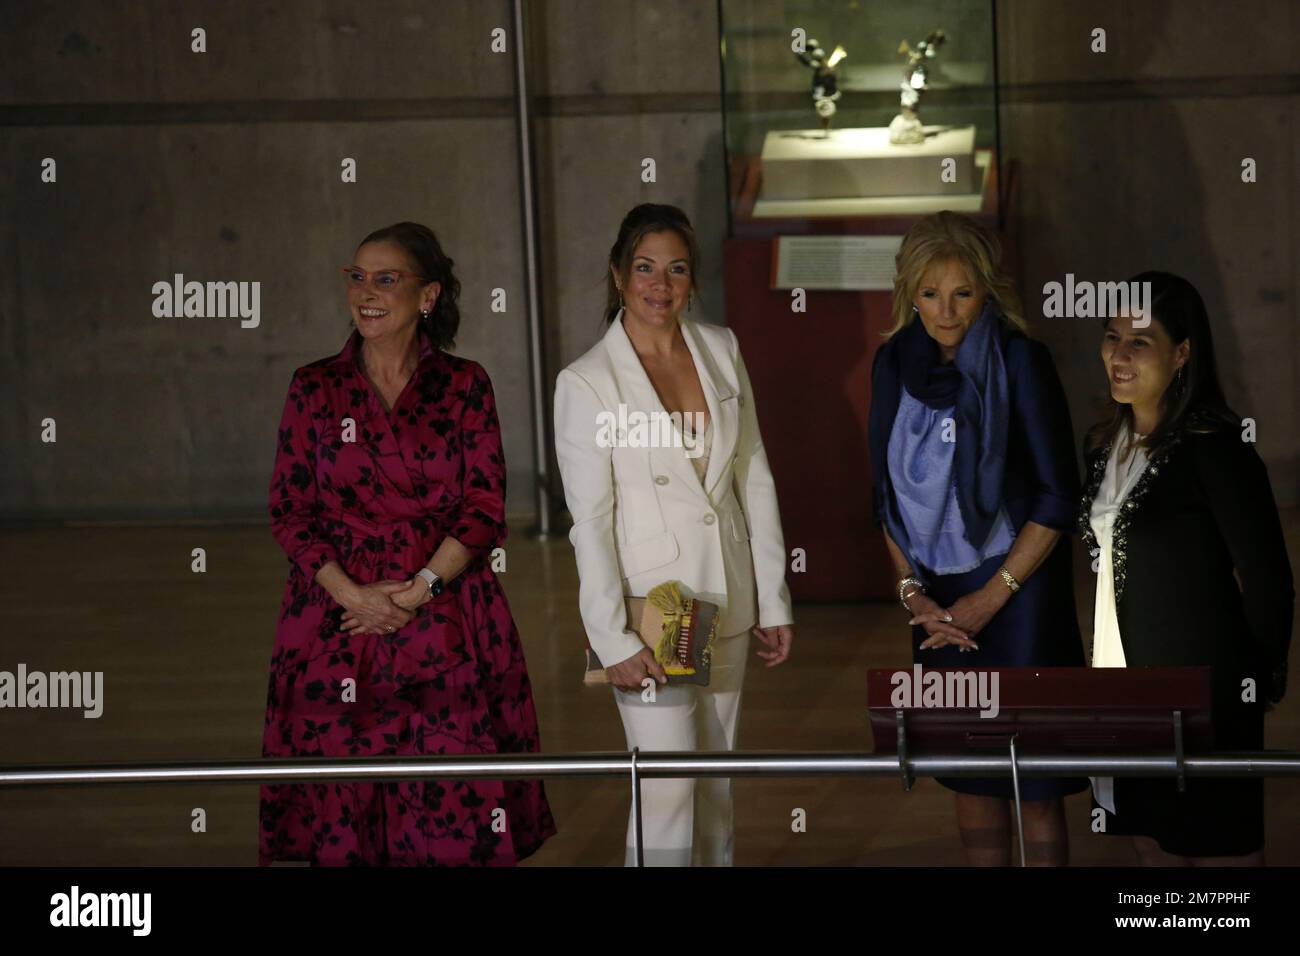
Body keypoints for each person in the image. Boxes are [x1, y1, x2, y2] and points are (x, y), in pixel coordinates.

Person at [261, 221, 555, 865]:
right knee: (345, 797)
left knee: (451, 796)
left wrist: (419, 590)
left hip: (446, 610)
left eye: (386, 278)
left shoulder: (465, 383)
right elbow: (289, 509)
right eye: (357, 277)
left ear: (428, 296)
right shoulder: (314, 387)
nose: (366, 292)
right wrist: (356, 597)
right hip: (337, 618)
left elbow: (483, 507)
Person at [553, 203, 794, 866]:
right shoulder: (586, 382)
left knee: (718, 783)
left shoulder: (721, 347)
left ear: (693, 278)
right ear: (618, 275)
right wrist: (610, 639)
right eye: (645, 268)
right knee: (665, 789)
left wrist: (772, 597)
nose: (660, 285)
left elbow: (754, 473)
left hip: (729, 593)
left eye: (677, 269)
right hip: (653, 610)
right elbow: (591, 524)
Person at [868, 210, 1087, 866]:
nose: (945, 310)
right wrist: (914, 595)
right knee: (967, 776)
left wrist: (990, 599)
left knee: (1033, 782)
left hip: (1017, 594)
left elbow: (1056, 498)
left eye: (962, 292)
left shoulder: (1022, 360)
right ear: (909, 291)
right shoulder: (890, 363)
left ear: (987, 289)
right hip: (936, 598)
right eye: (930, 293)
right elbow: (885, 499)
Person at [1080, 271, 1293, 865]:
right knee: (1151, 842)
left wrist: (1250, 685)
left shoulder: (1218, 450)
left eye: (1139, 342)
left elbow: (1270, 581)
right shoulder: (1103, 445)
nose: (1118, 355)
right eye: (1110, 336)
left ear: (1181, 354)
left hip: (1204, 691)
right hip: (1119, 683)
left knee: (1217, 848)